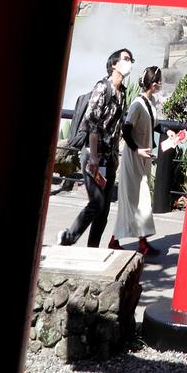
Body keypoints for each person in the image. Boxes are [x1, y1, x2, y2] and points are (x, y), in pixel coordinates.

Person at [59, 48, 133, 249]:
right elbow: (91, 122)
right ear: (114, 64)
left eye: (131, 59)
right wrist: (93, 156)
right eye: (126, 59)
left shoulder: (122, 93)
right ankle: (68, 237)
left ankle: (93, 249)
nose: (129, 63)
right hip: (93, 155)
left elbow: (117, 126)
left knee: (104, 209)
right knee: (96, 203)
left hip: (109, 158)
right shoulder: (102, 88)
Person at [115, 64, 164, 258]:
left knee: (138, 199)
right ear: (153, 83)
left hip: (143, 157)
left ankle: (117, 240)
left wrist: (168, 131)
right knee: (137, 198)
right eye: (159, 81)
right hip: (134, 157)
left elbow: (154, 124)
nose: (161, 84)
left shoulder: (151, 102)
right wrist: (137, 150)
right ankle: (141, 244)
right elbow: (126, 131)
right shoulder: (137, 104)